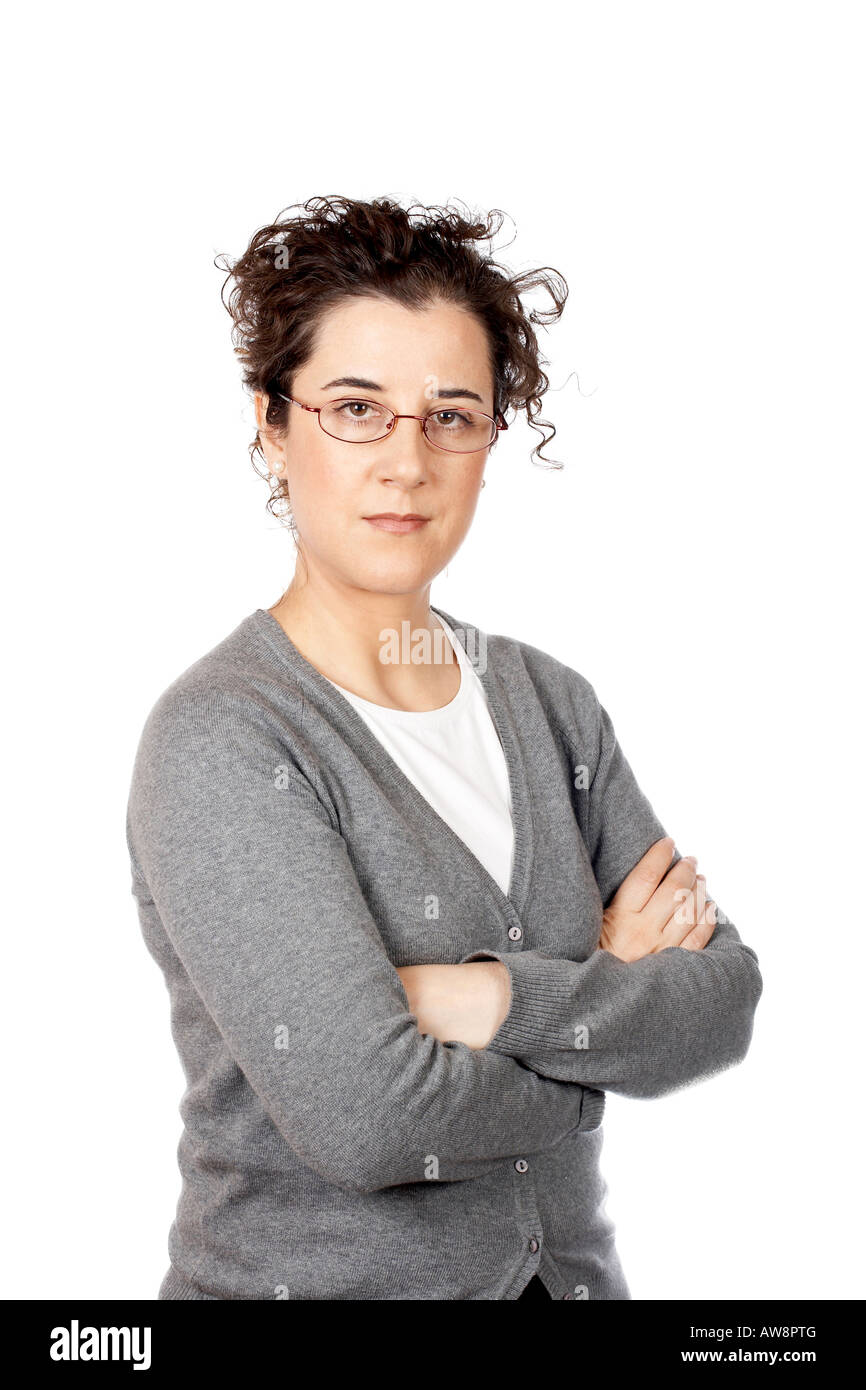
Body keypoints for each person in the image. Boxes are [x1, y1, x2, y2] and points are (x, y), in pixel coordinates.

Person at [125, 194, 763, 1300]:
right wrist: (602, 1001)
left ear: (488, 440)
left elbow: (722, 1002)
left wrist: (477, 1001)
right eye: (355, 409)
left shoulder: (548, 704)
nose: (406, 462)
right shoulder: (225, 738)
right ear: (273, 425)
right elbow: (368, 1117)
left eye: (451, 414)